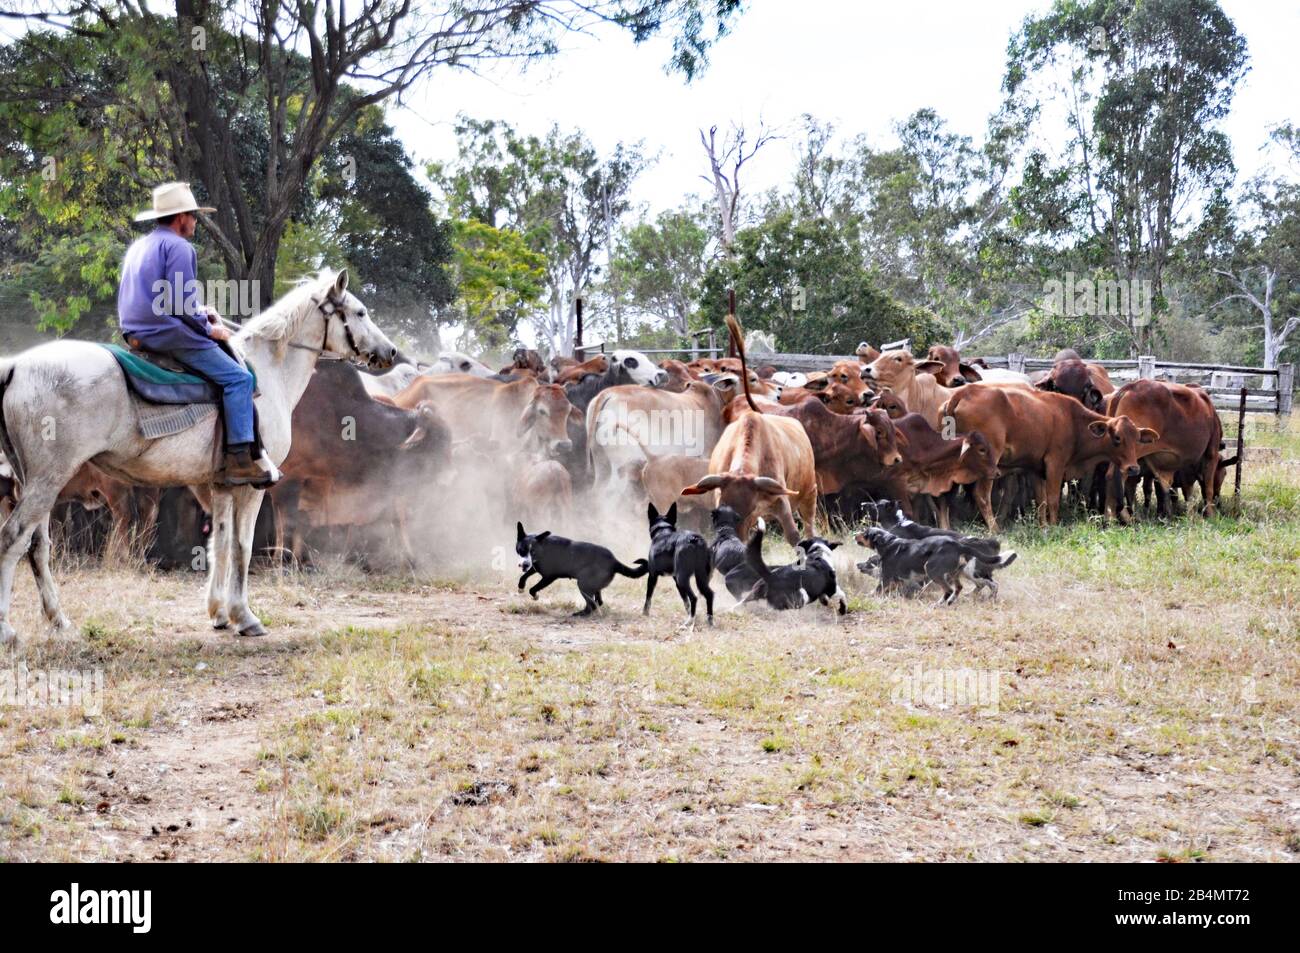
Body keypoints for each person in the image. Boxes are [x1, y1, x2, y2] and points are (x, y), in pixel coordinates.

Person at [118, 182, 270, 486]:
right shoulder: (180, 247)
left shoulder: (140, 246)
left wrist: (200, 310)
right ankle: (239, 459)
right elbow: (177, 303)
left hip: (134, 331)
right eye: (193, 215)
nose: (196, 222)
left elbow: (163, 297)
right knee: (239, 378)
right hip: (167, 334)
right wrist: (209, 328)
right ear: (180, 217)